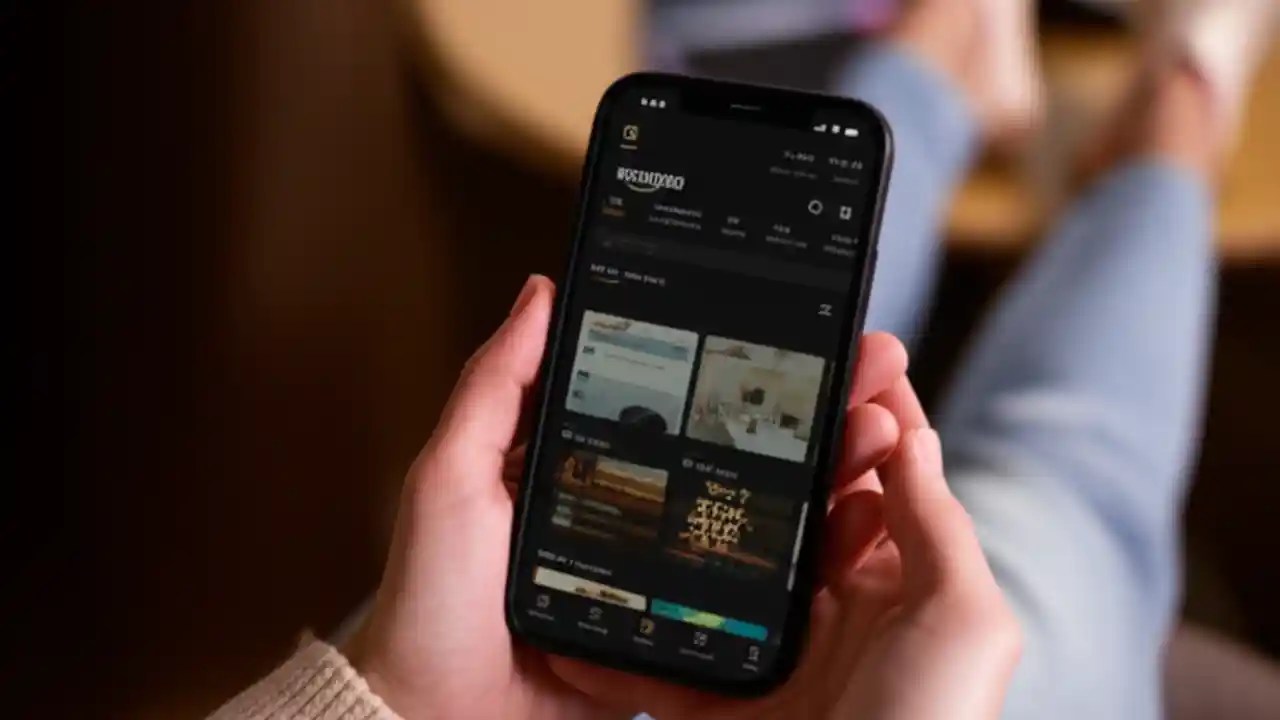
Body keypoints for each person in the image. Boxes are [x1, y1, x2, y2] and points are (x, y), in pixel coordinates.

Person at [211, 0, 1280, 717]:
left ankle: (941, 57)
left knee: (793, 292)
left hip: (482, 688)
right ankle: (1170, 112)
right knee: (1053, 492)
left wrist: (405, 696)